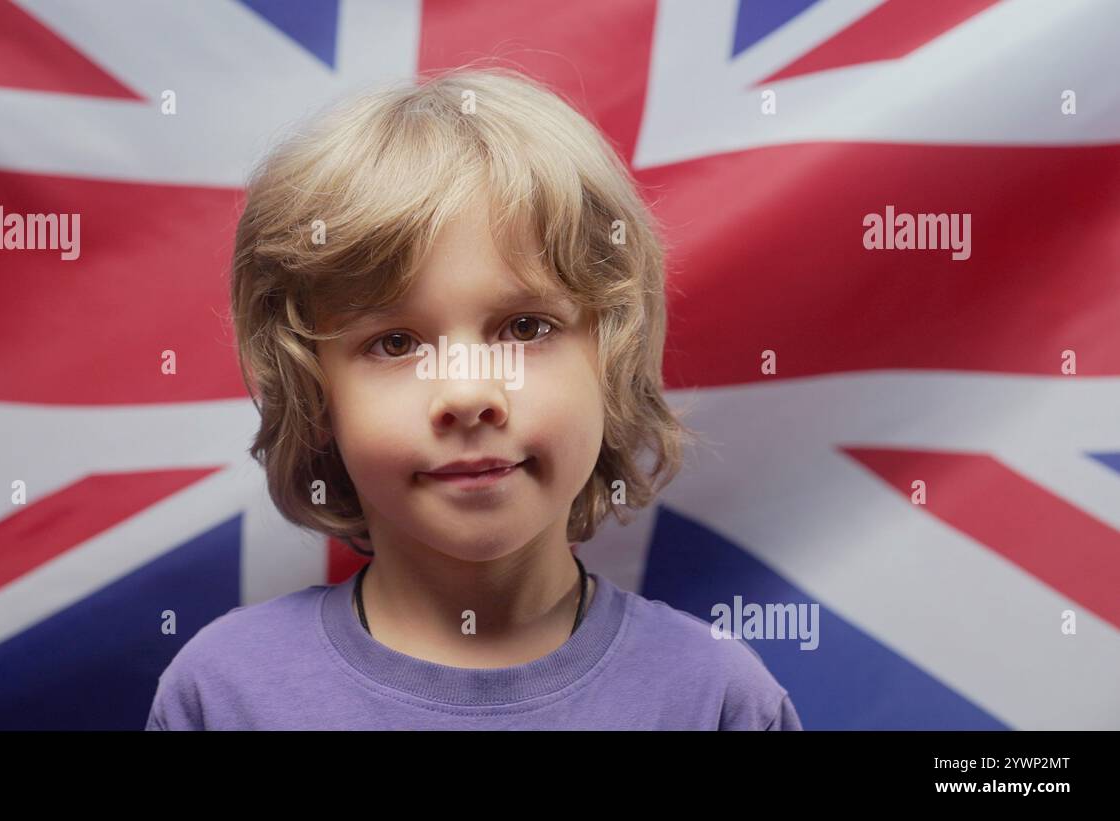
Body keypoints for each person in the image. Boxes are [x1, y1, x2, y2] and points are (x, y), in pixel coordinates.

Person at [146, 65, 802, 730]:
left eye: (525, 328)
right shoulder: (224, 693)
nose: (467, 393)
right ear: (313, 395)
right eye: (396, 342)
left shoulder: (714, 697)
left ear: (611, 360)